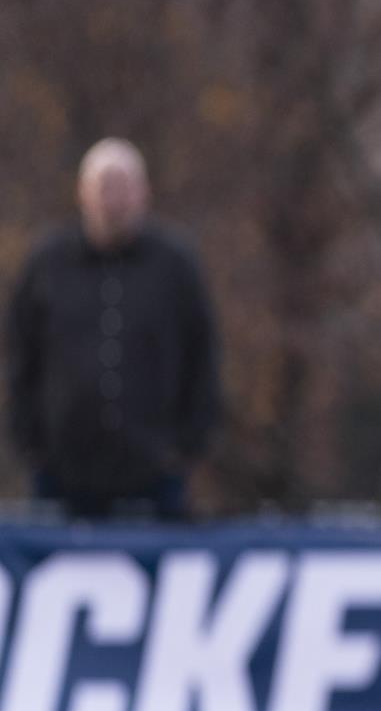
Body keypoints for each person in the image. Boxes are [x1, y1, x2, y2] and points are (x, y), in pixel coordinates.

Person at [7, 139, 222, 520]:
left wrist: (187, 447)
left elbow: (203, 358)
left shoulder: (176, 267)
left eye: (124, 186)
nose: (115, 198)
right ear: (82, 192)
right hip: (61, 473)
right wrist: (30, 445)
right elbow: (20, 359)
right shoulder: (46, 264)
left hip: (155, 472)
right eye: (105, 185)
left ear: (144, 192)